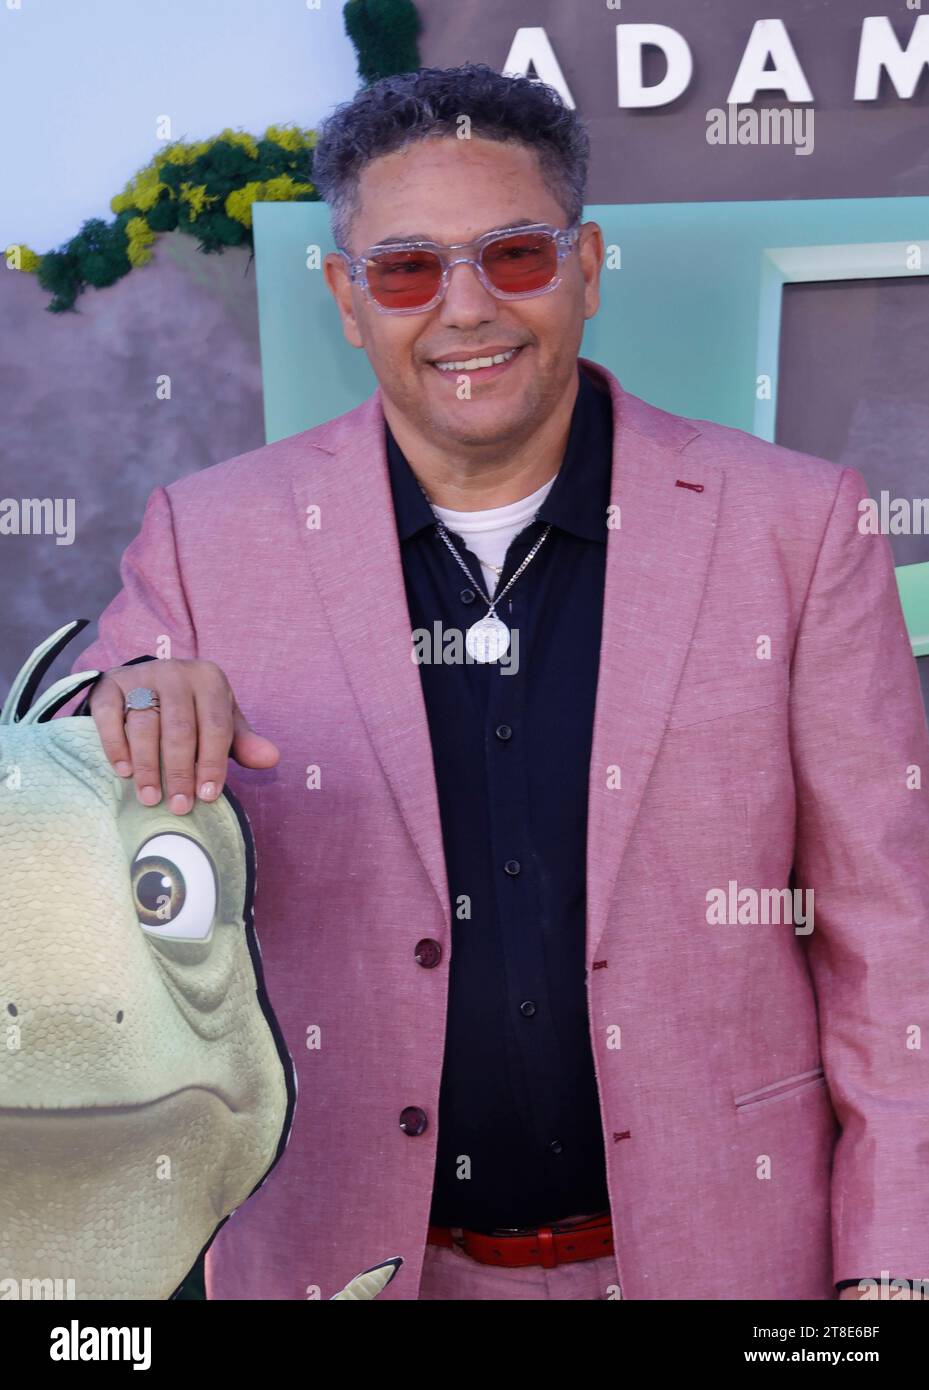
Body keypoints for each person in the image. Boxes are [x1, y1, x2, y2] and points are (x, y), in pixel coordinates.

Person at [59, 63, 929, 1301]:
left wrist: (893, 1274)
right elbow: (64, 780)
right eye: (407, 269)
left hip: (728, 1268)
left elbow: (891, 938)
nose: (464, 309)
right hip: (343, 1263)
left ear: (586, 266)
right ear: (346, 300)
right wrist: (124, 712)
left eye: (513, 255)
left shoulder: (793, 526)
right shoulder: (208, 539)